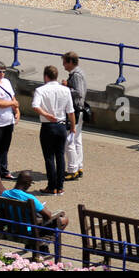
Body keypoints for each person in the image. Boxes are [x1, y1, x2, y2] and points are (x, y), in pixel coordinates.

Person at [0, 171, 67, 254]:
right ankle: (43, 244)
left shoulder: (4, 194)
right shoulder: (30, 198)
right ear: (27, 183)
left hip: (12, 228)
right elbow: (48, 215)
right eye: (30, 183)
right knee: (63, 220)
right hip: (28, 230)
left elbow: (1, 214)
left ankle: (33, 245)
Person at [32, 65, 75, 196]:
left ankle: (51, 186)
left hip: (48, 126)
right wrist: (72, 127)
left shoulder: (40, 90)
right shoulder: (65, 90)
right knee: (60, 156)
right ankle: (60, 186)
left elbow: (35, 106)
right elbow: (70, 111)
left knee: (49, 157)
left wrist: (46, 114)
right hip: (61, 125)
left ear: (46, 76)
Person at [62, 52, 87, 181]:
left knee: (70, 140)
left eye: (65, 62)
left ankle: (73, 169)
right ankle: (79, 166)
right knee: (77, 140)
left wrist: (66, 88)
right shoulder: (79, 73)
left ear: (71, 62)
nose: (64, 65)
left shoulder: (76, 75)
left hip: (76, 110)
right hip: (80, 110)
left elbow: (79, 93)